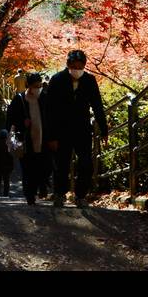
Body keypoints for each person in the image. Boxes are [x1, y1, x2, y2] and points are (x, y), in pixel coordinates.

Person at [41, 49, 108, 208]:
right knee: (61, 164)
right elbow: (49, 110)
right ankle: (60, 194)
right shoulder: (57, 80)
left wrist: (104, 129)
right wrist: (50, 136)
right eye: (74, 65)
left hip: (82, 129)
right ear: (68, 64)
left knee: (86, 163)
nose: (77, 69)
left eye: (81, 66)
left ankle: (80, 195)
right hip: (60, 129)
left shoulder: (89, 80)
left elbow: (97, 105)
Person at [6, 72, 49, 205]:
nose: (38, 88)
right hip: (25, 139)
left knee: (43, 166)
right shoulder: (19, 99)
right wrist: (21, 123)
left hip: (44, 138)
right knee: (28, 168)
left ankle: (41, 188)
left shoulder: (45, 98)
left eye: (39, 86)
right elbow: (10, 119)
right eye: (35, 86)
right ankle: (30, 195)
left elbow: (52, 117)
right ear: (28, 85)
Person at [0, 128, 15, 197]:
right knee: (6, 180)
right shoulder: (9, 145)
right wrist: (12, 166)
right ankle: (6, 193)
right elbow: (12, 156)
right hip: (7, 167)